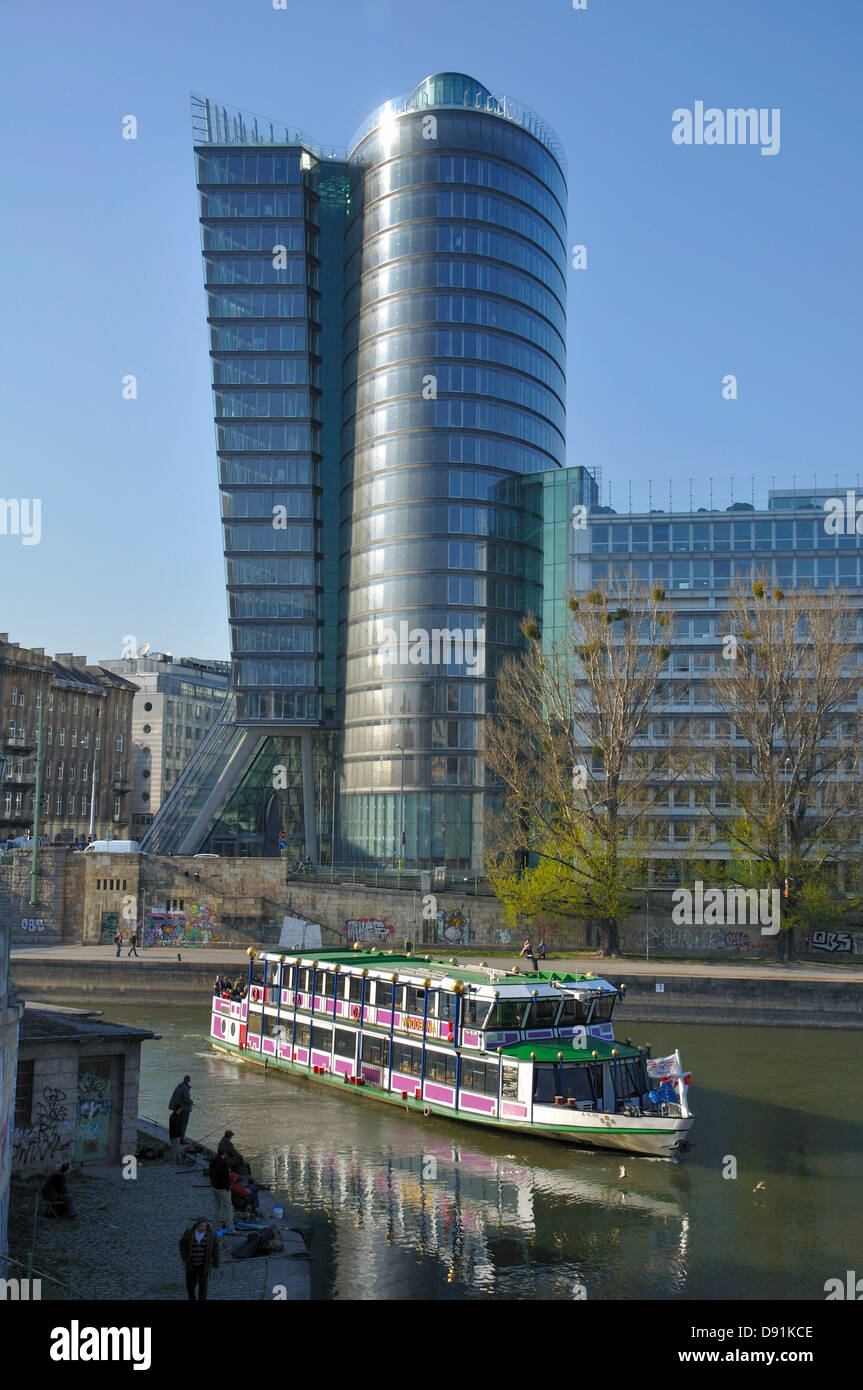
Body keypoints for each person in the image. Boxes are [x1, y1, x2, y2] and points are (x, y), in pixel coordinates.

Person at [179, 1217, 220, 1301]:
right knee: (190, 1286)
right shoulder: (189, 1233)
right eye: (202, 1226)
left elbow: (216, 1249)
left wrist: (216, 1264)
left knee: (203, 1286)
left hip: (204, 1265)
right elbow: (182, 1244)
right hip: (191, 1265)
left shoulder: (211, 1234)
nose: (204, 1228)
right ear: (197, 1226)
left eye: (205, 1226)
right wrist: (184, 1258)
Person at [208, 1152, 234, 1234]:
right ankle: (230, 1229)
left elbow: (210, 1174)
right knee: (228, 1208)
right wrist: (228, 1186)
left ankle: (216, 1227)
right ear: (225, 1154)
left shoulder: (213, 1161)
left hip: (214, 1187)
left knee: (216, 1207)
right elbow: (225, 1178)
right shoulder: (223, 1164)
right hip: (223, 1189)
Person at [169, 1075, 193, 1141]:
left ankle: (178, 1138)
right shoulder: (185, 1088)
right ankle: (181, 1139)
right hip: (184, 1110)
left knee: (178, 1125)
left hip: (178, 1109)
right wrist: (191, 1102)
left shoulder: (178, 1087)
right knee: (183, 1124)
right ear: (188, 1080)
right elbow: (186, 1099)